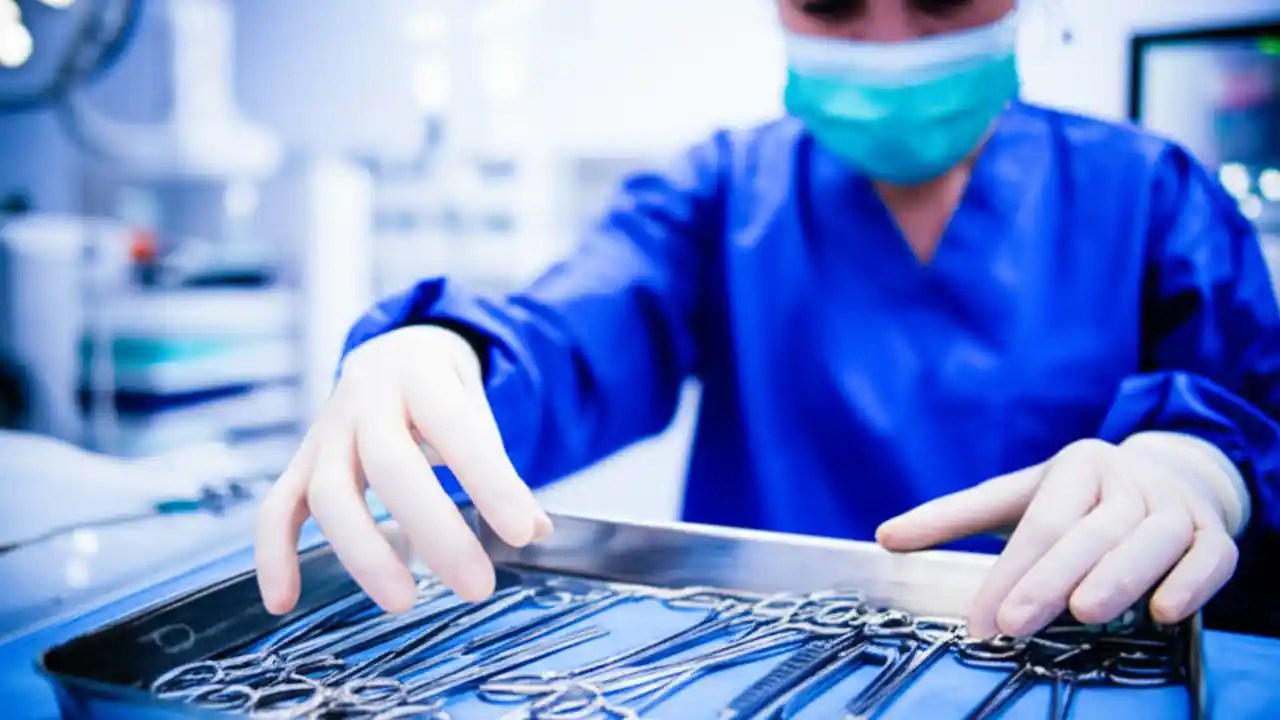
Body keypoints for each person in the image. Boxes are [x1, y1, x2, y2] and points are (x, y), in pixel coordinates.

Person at [256, 0, 1280, 639]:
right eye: (832, 3)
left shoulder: (1145, 192)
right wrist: (445, 354)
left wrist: (1201, 470)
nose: (887, 43)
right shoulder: (718, 193)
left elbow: (1247, 413)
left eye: (938, 0)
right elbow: (568, 337)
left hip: (1068, 668)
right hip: (764, 667)